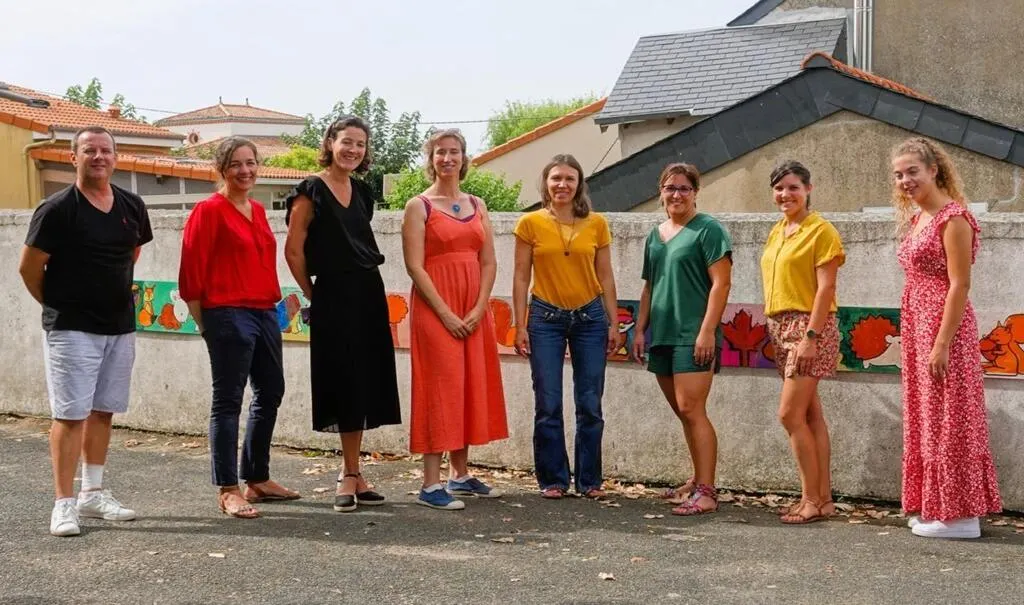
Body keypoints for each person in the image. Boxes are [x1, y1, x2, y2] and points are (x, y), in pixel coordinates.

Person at [19, 126, 152, 537]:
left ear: (116, 157)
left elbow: (130, 254)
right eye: (89, 150)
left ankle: (92, 493)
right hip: (72, 328)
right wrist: (59, 306)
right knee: (70, 414)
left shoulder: (132, 204)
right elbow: (29, 268)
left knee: (103, 410)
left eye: (105, 150)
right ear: (72, 157)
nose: (98, 157)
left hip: (119, 326)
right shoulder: (57, 209)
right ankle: (63, 504)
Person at [284, 116, 401, 513]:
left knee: (366, 382)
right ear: (330, 142)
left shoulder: (364, 192)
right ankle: (348, 473)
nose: (353, 150)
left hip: (369, 289)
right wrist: (315, 293)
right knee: (344, 382)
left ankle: (355, 471)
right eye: (346, 141)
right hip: (334, 293)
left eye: (361, 144)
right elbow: (294, 252)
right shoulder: (309, 191)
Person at [179, 136, 299, 519]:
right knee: (228, 400)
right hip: (226, 313)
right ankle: (228, 489)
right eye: (235, 164)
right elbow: (191, 275)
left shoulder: (259, 210)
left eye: (250, 163)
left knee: (271, 390)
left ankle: (257, 479)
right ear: (221, 170)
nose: (245, 171)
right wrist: (205, 323)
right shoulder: (209, 210)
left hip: (265, 310)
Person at [891, 137, 1001, 539]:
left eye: (912, 172)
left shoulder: (953, 219)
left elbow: (960, 284)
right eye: (899, 174)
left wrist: (940, 344)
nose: (905, 180)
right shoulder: (919, 217)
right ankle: (941, 508)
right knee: (930, 416)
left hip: (943, 327)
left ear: (934, 170)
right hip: (920, 326)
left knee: (951, 417)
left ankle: (962, 517)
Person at [401, 128, 508, 510]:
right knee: (439, 387)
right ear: (431, 159)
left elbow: (489, 260)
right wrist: (445, 313)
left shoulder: (478, 204)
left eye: (454, 152)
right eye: (440, 152)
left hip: (472, 307)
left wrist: (480, 307)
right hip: (436, 308)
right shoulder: (419, 206)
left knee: (467, 385)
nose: (447, 158)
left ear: (465, 158)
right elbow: (414, 265)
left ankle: (460, 475)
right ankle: (430, 484)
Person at [512, 154, 621, 499]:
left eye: (569, 179)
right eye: (556, 178)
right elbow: (520, 276)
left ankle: (590, 481)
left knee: (590, 403)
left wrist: (614, 323)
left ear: (579, 185)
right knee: (548, 402)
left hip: (590, 318)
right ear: (545, 183)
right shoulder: (529, 223)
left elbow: (605, 275)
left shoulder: (597, 224)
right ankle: (553, 479)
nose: (562, 185)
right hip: (545, 318)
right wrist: (520, 324)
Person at [631, 163, 732, 516]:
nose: (676, 194)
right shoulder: (654, 235)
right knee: (683, 413)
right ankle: (696, 480)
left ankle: (707, 492)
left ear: (695, 193)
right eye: (670, 188)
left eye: (684, 189)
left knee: (693, 409)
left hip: (694, 335)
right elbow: (649, 287)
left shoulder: (708, 231)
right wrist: (640, 330)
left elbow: (721, 284)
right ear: (660, 191)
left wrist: (707, 331)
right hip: (662, 335)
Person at [759, 160, 843, 525]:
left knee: (789, 414)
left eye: (793, 187)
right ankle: (823, 499)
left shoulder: (821, 231)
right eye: (779, 188)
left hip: (809, 327)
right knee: (810, 414)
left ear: (808, 189)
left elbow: (826, 288)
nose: (785, 194)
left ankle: (810, 499)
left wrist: (811, 336)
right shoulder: (779, 230)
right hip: (781, 326)